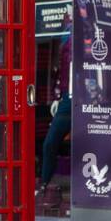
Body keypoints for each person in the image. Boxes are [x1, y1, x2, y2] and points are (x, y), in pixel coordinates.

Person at [39, 17, 72, 191]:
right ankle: (45, 183)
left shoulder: (85, 31)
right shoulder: (66, 31)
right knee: (50, 143)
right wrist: (58, 96)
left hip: (85, 98)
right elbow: (62, 70)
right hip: (67, 98)